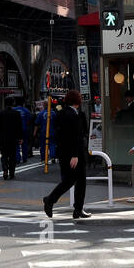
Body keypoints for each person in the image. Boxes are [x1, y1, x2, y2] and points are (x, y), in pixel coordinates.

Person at [43, 90, 91, 219]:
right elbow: (75, 136)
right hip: (75, 154)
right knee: (71, 180)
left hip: (64, 152)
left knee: (77, 181)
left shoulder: (61, 113)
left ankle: (78, 209)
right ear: (77, 100)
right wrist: (74, 154)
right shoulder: (73, 115)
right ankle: (50, 199)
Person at [0, 101, 23, 179]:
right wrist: (20, 137)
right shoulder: (16, 113)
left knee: (4, 155)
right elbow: (19, 126)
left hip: (3, 139)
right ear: (13, 104)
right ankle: (11, 172)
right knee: (12, 156)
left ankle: (4, 170)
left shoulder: (0, 113)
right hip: (13, 138)